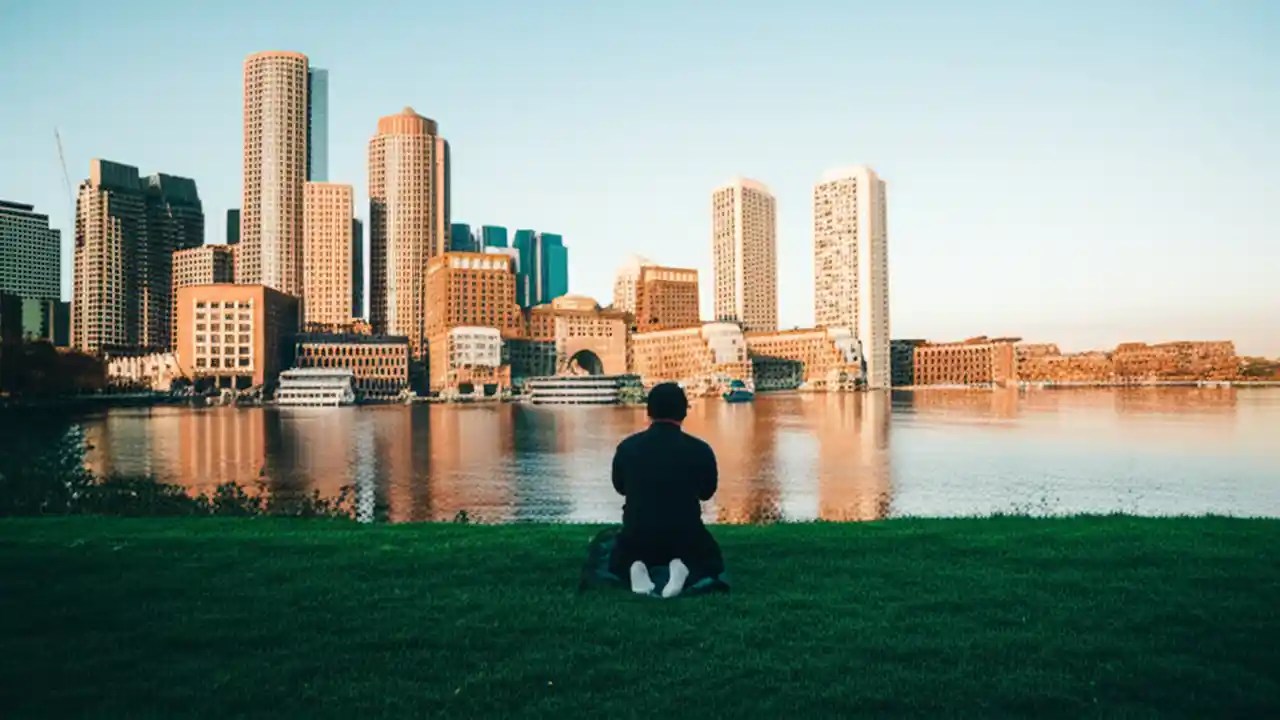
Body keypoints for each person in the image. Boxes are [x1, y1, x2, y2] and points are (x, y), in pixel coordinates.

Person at [609, 382, 724, 597]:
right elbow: (707, 492)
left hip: (639, 535)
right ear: (683, 412)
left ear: (649, 411)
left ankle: (635, 567)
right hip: (684, 534)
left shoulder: (627, 448)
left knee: (618, 550)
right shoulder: (700, 450)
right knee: (708, 556)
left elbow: (620, 487)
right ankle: (681, 568)